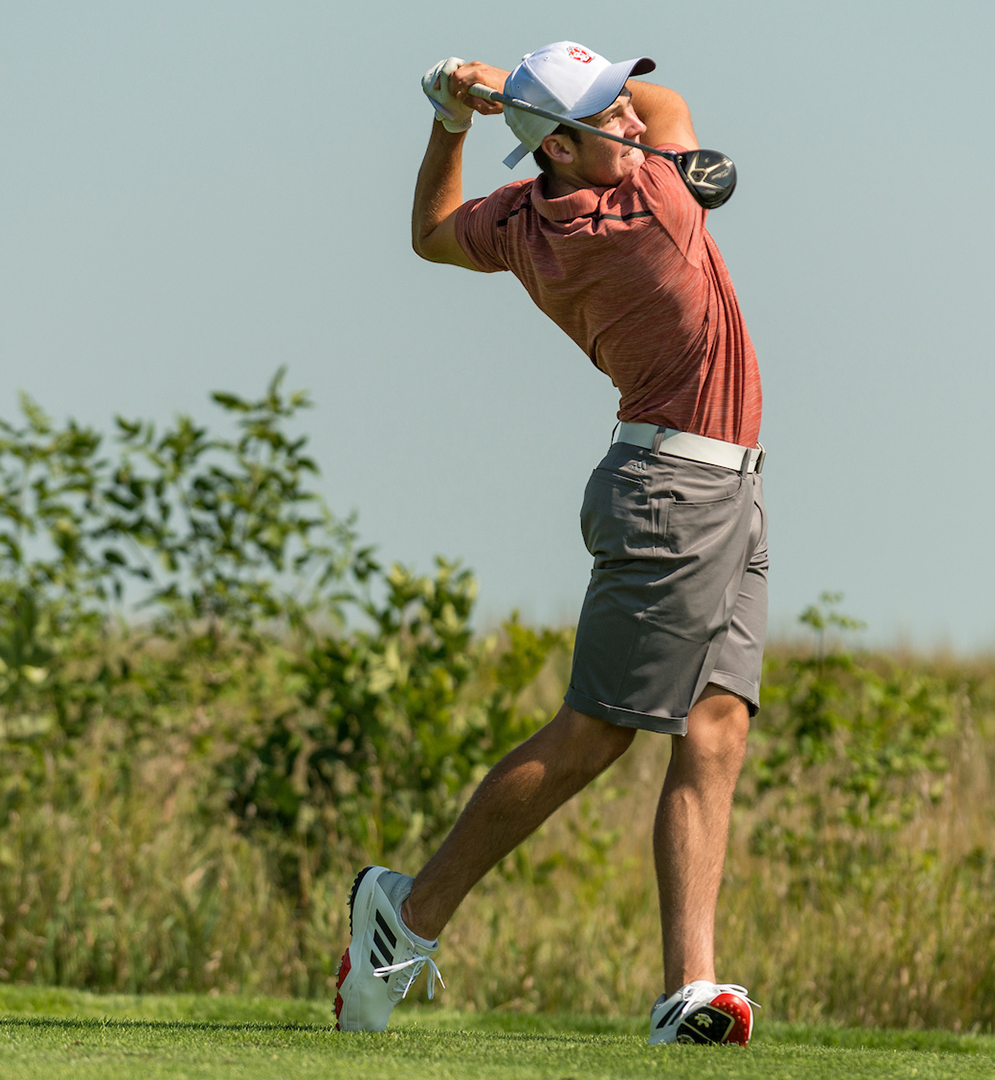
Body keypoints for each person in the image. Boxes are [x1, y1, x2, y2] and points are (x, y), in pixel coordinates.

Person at [333, 41, 767, 1047]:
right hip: (677, 494)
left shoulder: (528, 217)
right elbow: (673, 104)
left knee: (716, 727)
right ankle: (409, 914)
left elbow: (433, 232)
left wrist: (455, 117)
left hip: (714, 485)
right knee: (595, 734)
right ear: (563, 151)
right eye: (603, 118)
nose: (629, 119)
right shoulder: (652, 206)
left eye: (618, 105)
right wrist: (502, 96)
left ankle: (689, 991)